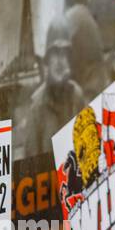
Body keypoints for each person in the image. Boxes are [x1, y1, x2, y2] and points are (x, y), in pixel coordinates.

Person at [22, 13, 86, 157]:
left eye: (64, 54)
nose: (60, 62)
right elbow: (31, 165)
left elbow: (87, 155)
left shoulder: (77, 97)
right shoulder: (37, 107)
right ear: (48, 60)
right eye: (55, 54)